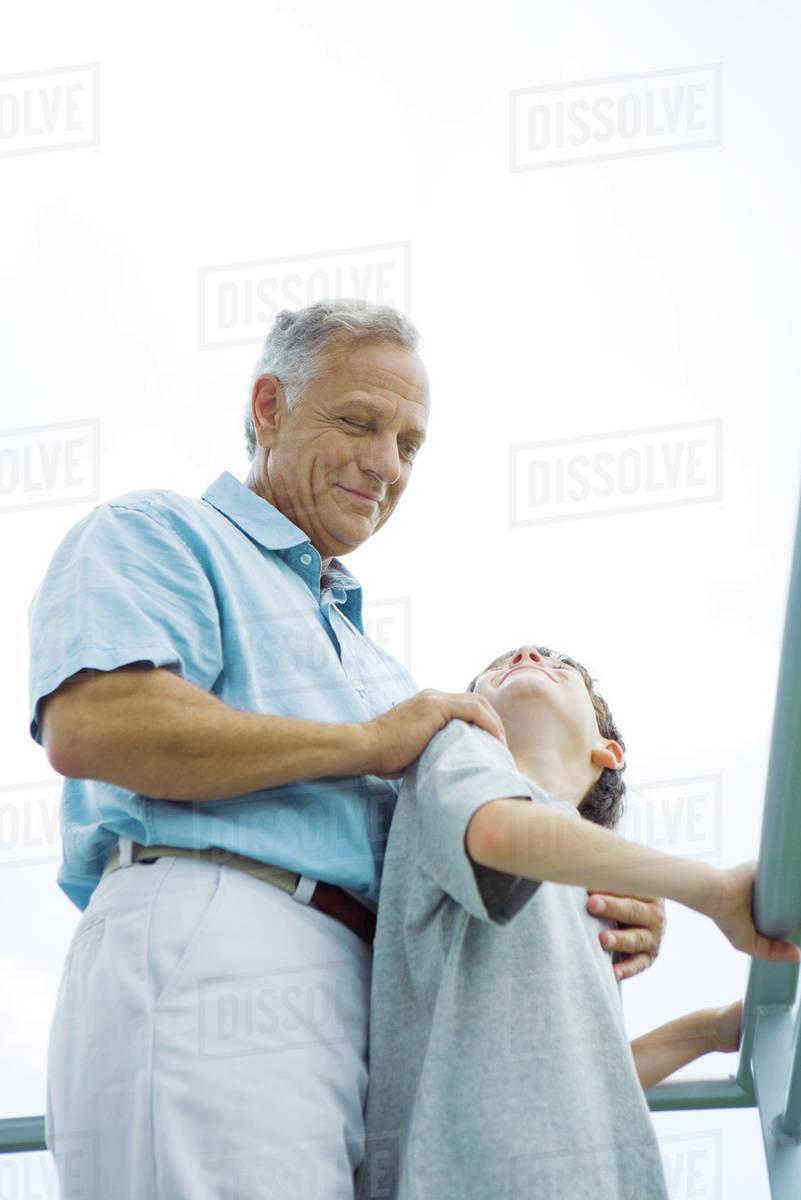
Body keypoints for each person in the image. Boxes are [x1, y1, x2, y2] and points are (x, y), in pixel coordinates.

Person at [29, 300, 664, 1198]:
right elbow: (96, 724)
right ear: (267, 408)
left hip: (366, 1009)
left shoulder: (379, 665)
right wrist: (369, 740)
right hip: (215, 939)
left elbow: (461, 846)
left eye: (409, 443)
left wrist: (603, 903)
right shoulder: (161, 531)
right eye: (360, 422)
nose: (385, 464)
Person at [357, 643, 800, 1200]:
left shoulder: (586, 891)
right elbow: (498, 832)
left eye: (560, 664)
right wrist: (710, 889)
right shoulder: (459, 745)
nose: (523, 654)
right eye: (494, 669)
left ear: (606, 750)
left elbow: (583, 1075)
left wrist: (711, 1030)